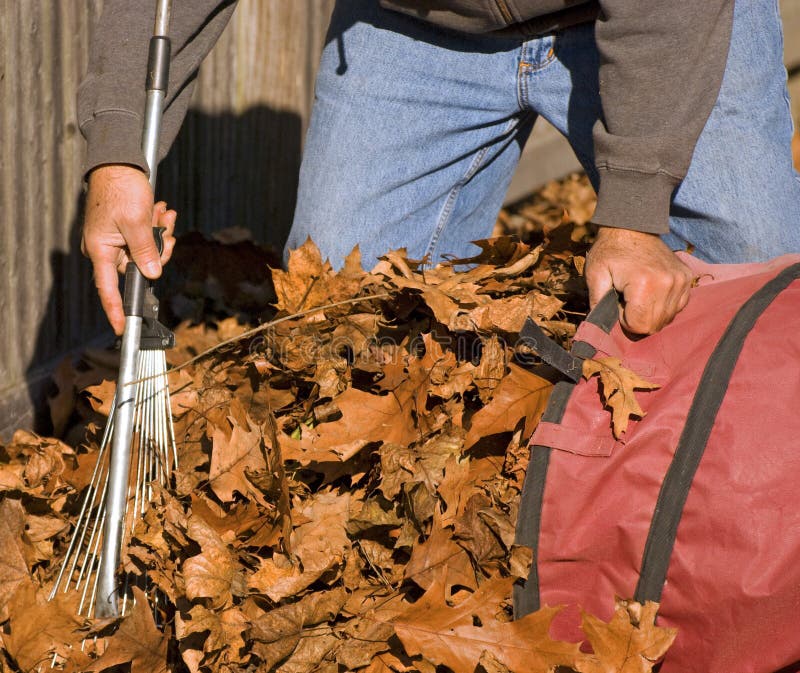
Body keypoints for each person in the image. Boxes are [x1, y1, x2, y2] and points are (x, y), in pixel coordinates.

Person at [79, 0, 800, 337]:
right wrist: (117, 154)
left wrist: (636, 207)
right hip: (415, 24)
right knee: (338, 317)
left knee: (758, 278)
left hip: (655, 13)